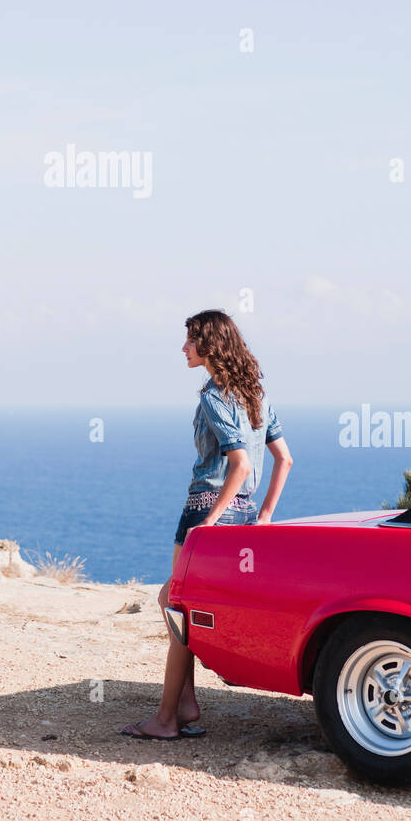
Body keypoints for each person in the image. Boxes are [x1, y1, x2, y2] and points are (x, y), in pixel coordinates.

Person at [120, 308, 293, 740]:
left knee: (174, 602)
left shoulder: (213, 397)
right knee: (182, 605)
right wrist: (265, 515)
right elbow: (284, 459)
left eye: (190, 340)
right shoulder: (257, 395)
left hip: (206, 509)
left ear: (210, 345)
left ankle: (167, 718)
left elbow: (236, 464)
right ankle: (186, 703)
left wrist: (209, 523)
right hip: (247, 514)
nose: (183, 347)